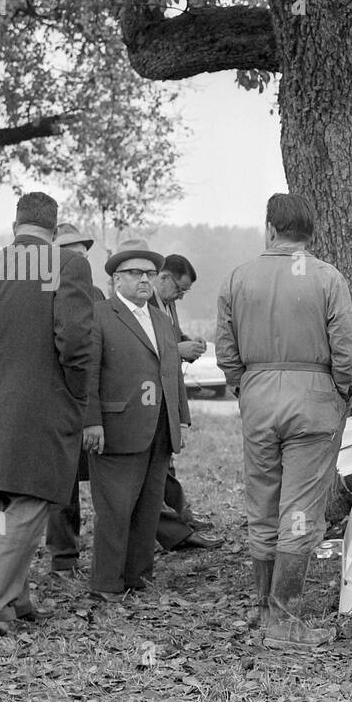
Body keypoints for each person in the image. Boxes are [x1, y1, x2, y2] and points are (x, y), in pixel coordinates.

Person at [215, 192, 352, 647]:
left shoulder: (238, 278)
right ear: (309, 232)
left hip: (258, 400)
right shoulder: (327, 278)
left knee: (262, 503)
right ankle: (282, 618)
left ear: (270, 228)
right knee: (299, 509)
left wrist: (246, 386)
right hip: (313, 402)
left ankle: (263, 609)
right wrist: (341, 389)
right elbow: (346, 351)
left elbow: (226, 350)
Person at [0, 193, 95, 638]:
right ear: (54, 229)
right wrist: (76, 394)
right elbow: (74, 340)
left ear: (16, 224)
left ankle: (16, 597)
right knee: (30, 501)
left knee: (6, 502)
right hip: (42, 407)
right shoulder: (68, 266)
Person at [83, 243, 191, 600]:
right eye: (134, 274)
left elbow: (171, 373)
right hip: (116, 429)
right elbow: (87, 372)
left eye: (148, 274)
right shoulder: (100, 314)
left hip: (159, 430)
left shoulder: (160, 319)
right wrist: (91, 421)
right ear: (116, 279)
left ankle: (137, 577)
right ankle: (107, 584)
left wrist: (182, 420)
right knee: (115, 509)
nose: (144, 280)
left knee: (148, 508)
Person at [44, 223, 103, 576]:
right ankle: (63, 555)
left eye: (82, 254)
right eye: (69, 252)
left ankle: (109, 551)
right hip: (55, 399)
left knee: (101, 475)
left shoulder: (95, 296)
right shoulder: (41, 291)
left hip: (88, 399)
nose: (77, 259)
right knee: (61, 484)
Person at [153, 254, 216, 534]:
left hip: (169, 393)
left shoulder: (167, 304)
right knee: (160, 466)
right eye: (179, 289)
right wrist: (178, 351)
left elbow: (172, 336)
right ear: (164, 277)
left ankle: (181, 517)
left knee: (167, 460)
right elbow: (142, 347)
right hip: (151, 394)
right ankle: (177, 523)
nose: (180, 297)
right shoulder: (145, 303)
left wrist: (189, 342)